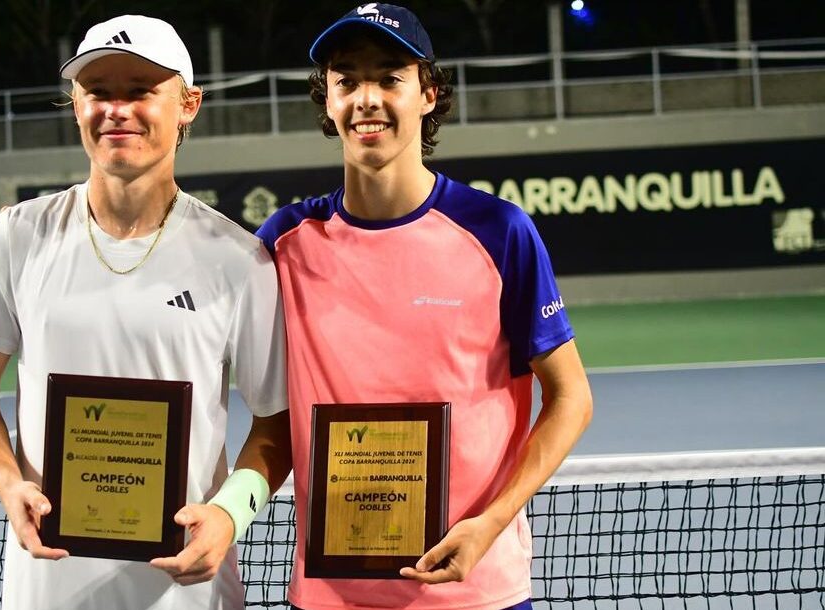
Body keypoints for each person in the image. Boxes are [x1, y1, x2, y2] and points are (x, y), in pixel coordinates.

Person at [254, 4, 593, 610]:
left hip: (476, 591)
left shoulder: (498, 231)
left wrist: (488, 525)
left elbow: (571, 397)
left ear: (428, 94)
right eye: (346, 79)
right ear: (327, 101)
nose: (367, 98)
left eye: (389, 77)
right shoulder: (283, 242)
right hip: (331, 595)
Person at [0, 15, 291, 610]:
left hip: (188, 594)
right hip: (45, 591)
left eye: (140, 91)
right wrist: (9, 484)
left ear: (188, 104)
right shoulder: (15, 238)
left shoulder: (241, 262)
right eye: (98, 92)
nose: (117, 109)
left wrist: (229, 515)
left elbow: (275, 426)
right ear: (75, 105)